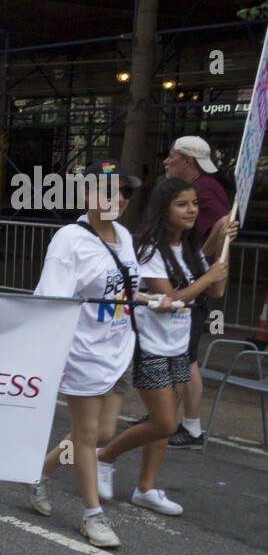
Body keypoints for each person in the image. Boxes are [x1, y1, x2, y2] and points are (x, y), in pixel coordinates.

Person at [95, 179, 236, 512]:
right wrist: (208, 276)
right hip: (151, 345)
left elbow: (215, 292)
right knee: (165, 423)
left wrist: (220, 243)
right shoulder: (148, 250)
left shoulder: (187, 250)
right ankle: (105, 456)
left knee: (165, 421)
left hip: (178, 344)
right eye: (182, 205)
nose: (191, 211)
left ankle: (146, 488)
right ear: (163, 210)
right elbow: (171, 297)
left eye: (194, 204)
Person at [27, 162, 143, 548]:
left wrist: (149, 299)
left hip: (119, 347)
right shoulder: (69, 239)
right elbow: (50, 300)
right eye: (109, 190)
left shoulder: (124, 236)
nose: (119, 199)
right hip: (81, 351)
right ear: (87, 194)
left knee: (101, 433)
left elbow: (121, 288)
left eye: (125, 192)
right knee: (88, 435)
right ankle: (93, 515)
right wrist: (50, 355)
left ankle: (38, 472)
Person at [162, 136, 230, 449]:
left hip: (194, 285)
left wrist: (204, 257)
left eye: (172, 156)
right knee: (177, 355)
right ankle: (163, 418)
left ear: (188, 160)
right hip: (190, 281)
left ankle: (190, 427)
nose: (165, 161)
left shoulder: (204, 191)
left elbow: (217, 234)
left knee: (186, 358)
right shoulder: (203, 188)